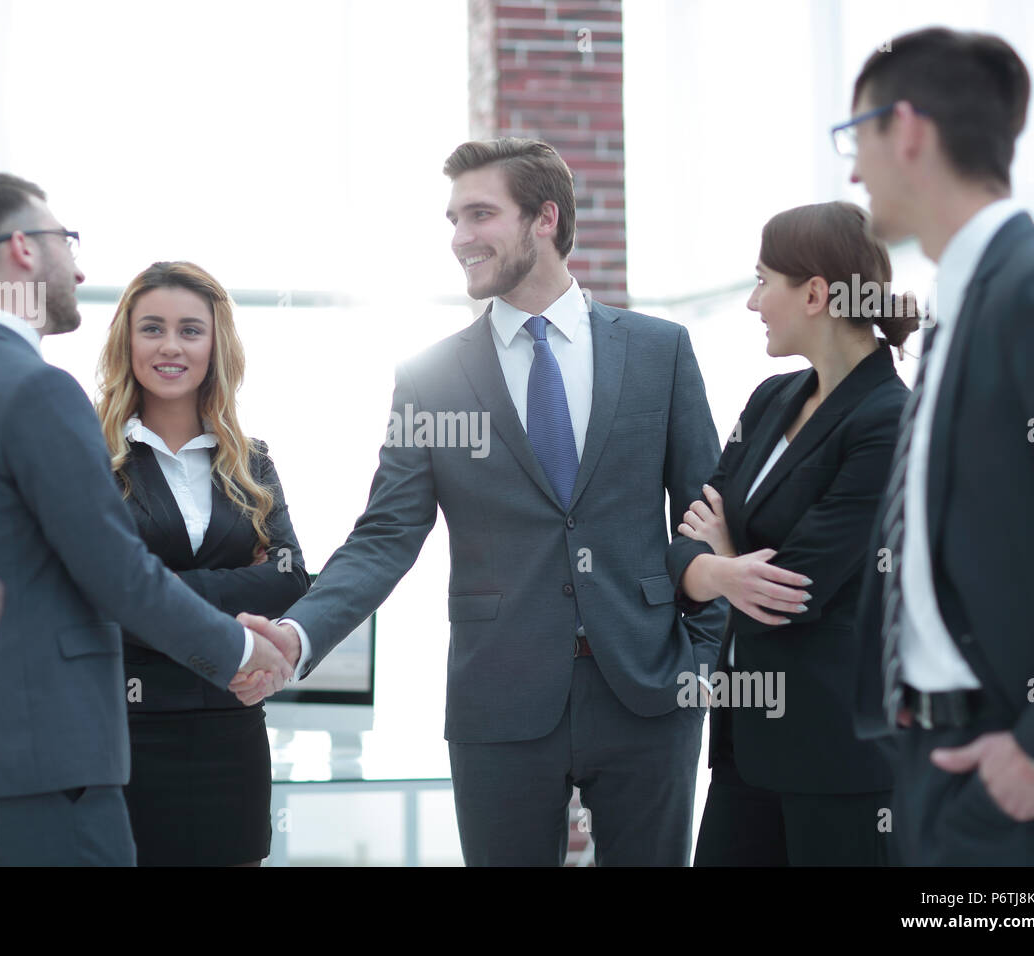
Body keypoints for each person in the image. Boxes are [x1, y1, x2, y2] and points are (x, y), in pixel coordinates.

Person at [237, 137, 726, 866]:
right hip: (498, 699)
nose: (460, 238)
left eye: (479, 215)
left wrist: (703, 662)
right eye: (453, 219)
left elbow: (706, 519)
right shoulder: (431, 377)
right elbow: (386, 534)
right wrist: (299, 634)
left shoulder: (660, 351)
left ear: (544, 218)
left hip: (650, 694)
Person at [0, 174, 293, 866]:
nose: (77, 268)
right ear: (20, 249)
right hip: (56, 759)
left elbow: (287, 574)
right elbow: (118, 576)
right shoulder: (37, 389)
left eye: (191, 330)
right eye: (63, 242)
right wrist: (242, 649)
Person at [845, 27, 1034, 865]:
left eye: (857, 138)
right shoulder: (959, 302)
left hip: (1014, 784)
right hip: (931, 767)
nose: (852, 170)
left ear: (906, 130)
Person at [666, 202, 911, 865]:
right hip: (744, 748)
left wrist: (719, 556)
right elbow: (684, 537)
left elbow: (795, 588)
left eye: (761, 280)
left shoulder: (890, 419)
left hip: (839, 760)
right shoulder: (769, 399)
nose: (751, 303)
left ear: (814, 293)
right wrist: (721, 567)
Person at [95, 261, 309, 866]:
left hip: (230, 727)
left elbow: (291, 577)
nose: (170, 346)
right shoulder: (91, 455)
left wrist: (151, 585)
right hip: (126, 730)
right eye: (152, 328)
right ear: (127, 341)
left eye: (191, 330)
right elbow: (94, 592)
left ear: (215, 347)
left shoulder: (251, 461)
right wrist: (242, 582)